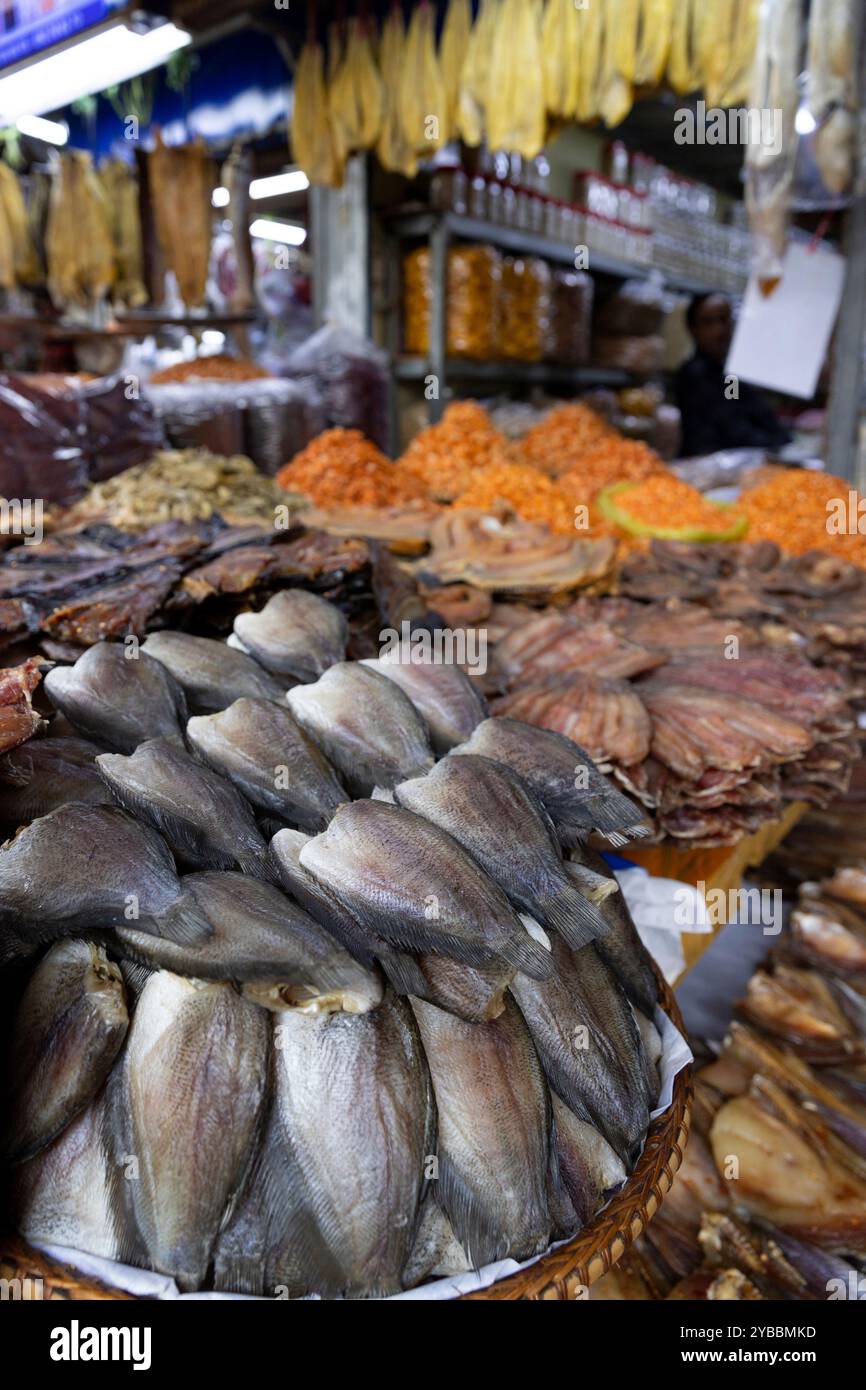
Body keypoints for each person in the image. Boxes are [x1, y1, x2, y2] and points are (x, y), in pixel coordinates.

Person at [674, 292, 791, 456]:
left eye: (723, 320)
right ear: (693, 329)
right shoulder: (694, 374)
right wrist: (772, 443)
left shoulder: (729, 374)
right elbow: (730, 428)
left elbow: (744, 408)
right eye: (709, 322)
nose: (719, 330)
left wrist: (780, 438)